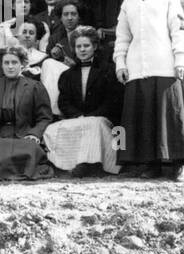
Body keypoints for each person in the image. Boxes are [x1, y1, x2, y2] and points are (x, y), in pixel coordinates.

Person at [113, 0, 184, 180]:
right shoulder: (129, 0)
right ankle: (150, 164)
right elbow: (123, 35)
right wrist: (120, 63)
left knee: (171, 114)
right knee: (145, 115)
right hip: (137, 66)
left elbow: (178, 29)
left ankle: (178, 165)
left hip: (164, 63)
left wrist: (180, 58)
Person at [44, 25, 124, 176]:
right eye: (78, 46)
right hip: (78, 118)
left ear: (94, 46)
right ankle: (67, 165)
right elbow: (64, 102)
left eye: (86, 45)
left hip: (103, 120)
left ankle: (91, 164)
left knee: (93, 124)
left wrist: (93, 115)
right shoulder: (67, 75)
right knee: (52, 129)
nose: (82, 49)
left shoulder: (108, 70)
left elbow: (113, 100)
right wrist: (78, 115)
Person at [0, 44, 53, 181]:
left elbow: (44, 117)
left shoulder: (35, 87)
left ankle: (0, 170)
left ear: (22, 65)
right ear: (1, 65)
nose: (10, 66)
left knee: (30, 148)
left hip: (23, 136)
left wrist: (34, 134)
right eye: (6, 63)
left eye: (14, 62)